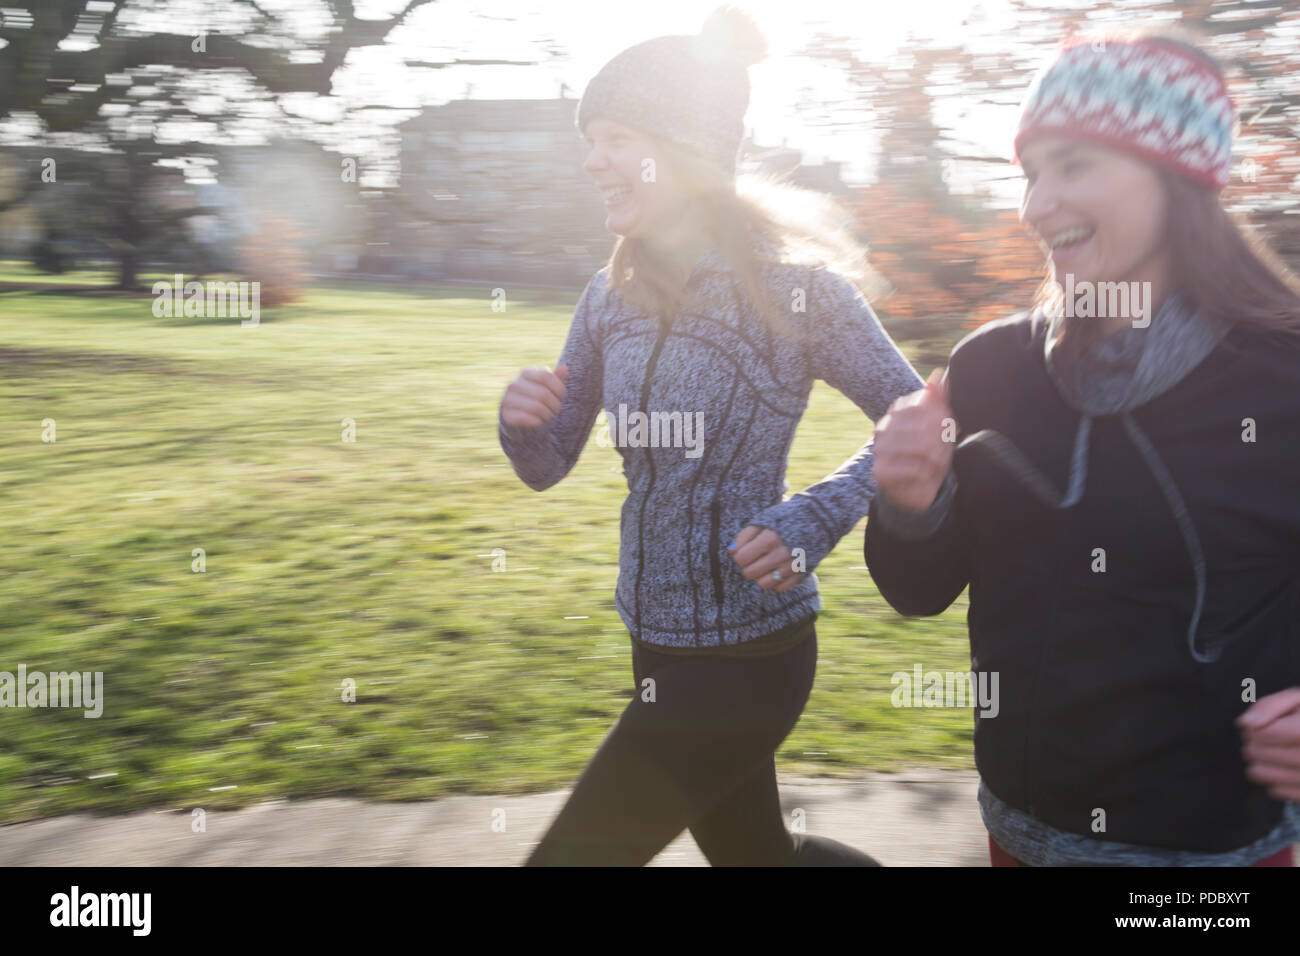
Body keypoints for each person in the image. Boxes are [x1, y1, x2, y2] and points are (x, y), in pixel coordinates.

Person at [864, 27, 1300, 866]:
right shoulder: (993, 367)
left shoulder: (1280, 379)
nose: (1034, 206)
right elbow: (917, 591)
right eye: (1031, 174)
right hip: (1020, 833)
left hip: (1210, 859)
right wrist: (910, 505)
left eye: (1072, 165)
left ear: (1176, 179)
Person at [499, 7, 921, 865]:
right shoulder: (605, 298)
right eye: (590, 139)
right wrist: (521, 426)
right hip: (652, 639)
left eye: (613, 136)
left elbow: (921, 419)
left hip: (750, 657)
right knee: (759, 859)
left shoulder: (798, 296)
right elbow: (550, 466)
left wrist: (817, 516)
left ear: (679, 147)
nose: (593, 161)